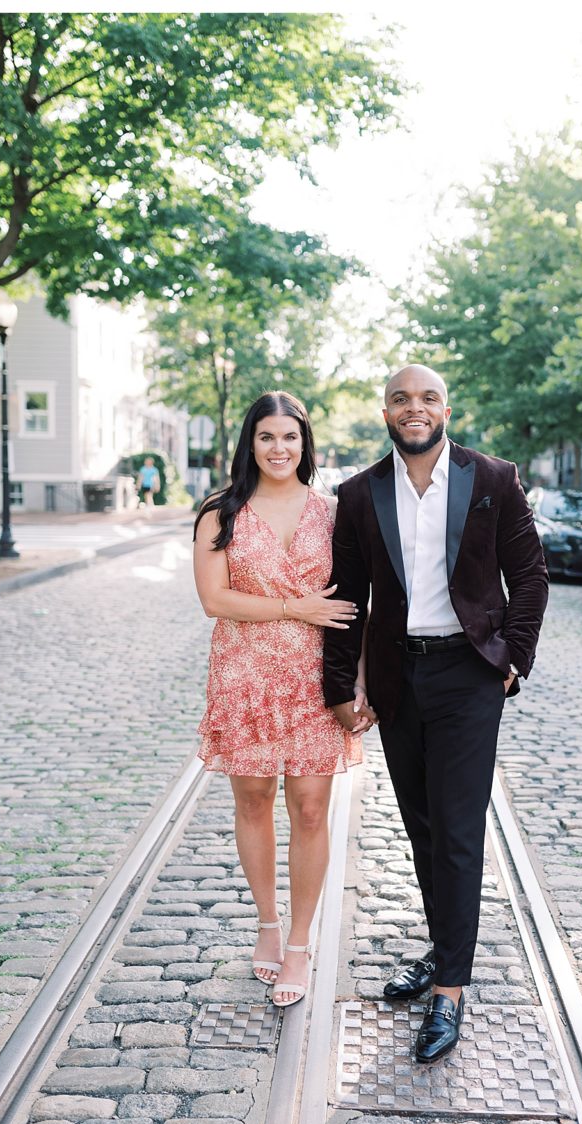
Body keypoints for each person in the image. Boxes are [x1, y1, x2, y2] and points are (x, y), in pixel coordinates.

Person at [322, 363, 548, 1063]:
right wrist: (341, 686)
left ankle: (450, 988)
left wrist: (512, 659)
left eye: (427, 398)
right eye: (400, 399)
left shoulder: (493, 480)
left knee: (456, 830)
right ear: (386, 412)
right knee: (422, 827)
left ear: (447, 409)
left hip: (469, 675)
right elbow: (347, 596)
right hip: (399, 678)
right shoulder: (359, 493)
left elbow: (530, 576)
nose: (413, 408)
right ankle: (444, 945)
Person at [192, 391, 371, 1009]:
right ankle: (267, 922)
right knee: (253, 799)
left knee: (312, 808)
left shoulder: (334, 512)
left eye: (289, 437)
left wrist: (361, 679)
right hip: (245, 677)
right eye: (266, 436)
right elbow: (214, 599)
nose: (278, 448)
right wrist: (296, 607)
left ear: (304, 444)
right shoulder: (221, 512)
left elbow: (356, 602)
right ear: (251, 442)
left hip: (316, 680)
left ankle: (300, 940)